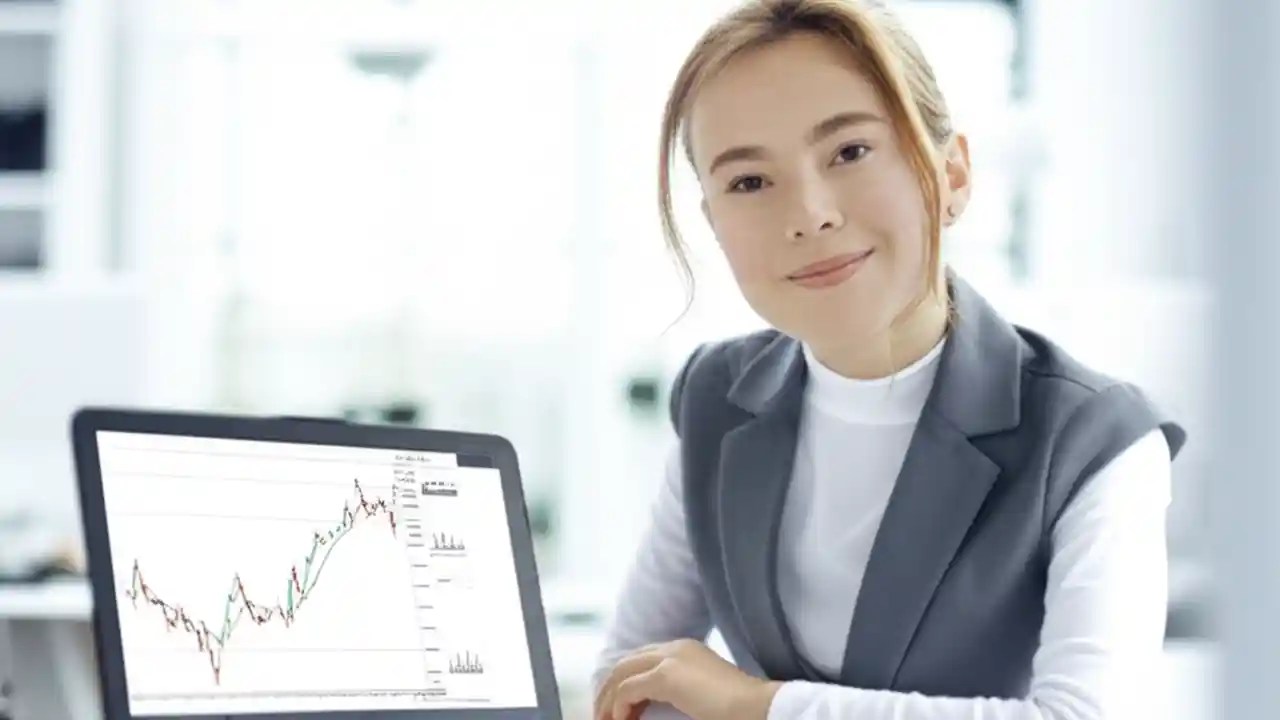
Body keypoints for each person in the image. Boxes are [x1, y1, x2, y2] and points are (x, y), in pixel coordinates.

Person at [590, 1, 1187, 719]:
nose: (808, 214)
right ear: (715, 225)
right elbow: (627, 680)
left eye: (850, 152)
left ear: (953, 174)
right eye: (749, 182)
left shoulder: (1094, 439)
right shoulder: (716, 398)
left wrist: (759, 706)